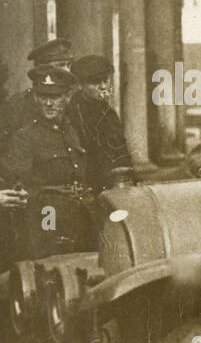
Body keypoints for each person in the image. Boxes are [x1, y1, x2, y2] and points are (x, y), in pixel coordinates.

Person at [0, 65, 97, 258]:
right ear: (35, 98)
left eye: (55, 97)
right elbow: (19, 184)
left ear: (67, 98)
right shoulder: (25, 137)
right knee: (54, 264)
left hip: (81, 214)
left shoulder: (72, 131)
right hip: (47, 217)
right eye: (43, 97)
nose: (48, 103)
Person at [69, 54, 132, 188]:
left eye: (105, 80)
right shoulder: (72, 113)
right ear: (80, 84)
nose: (103, 86)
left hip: (114, 182)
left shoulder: (108, 112)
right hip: (88, 184)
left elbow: (122, 149)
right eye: (95, 82)